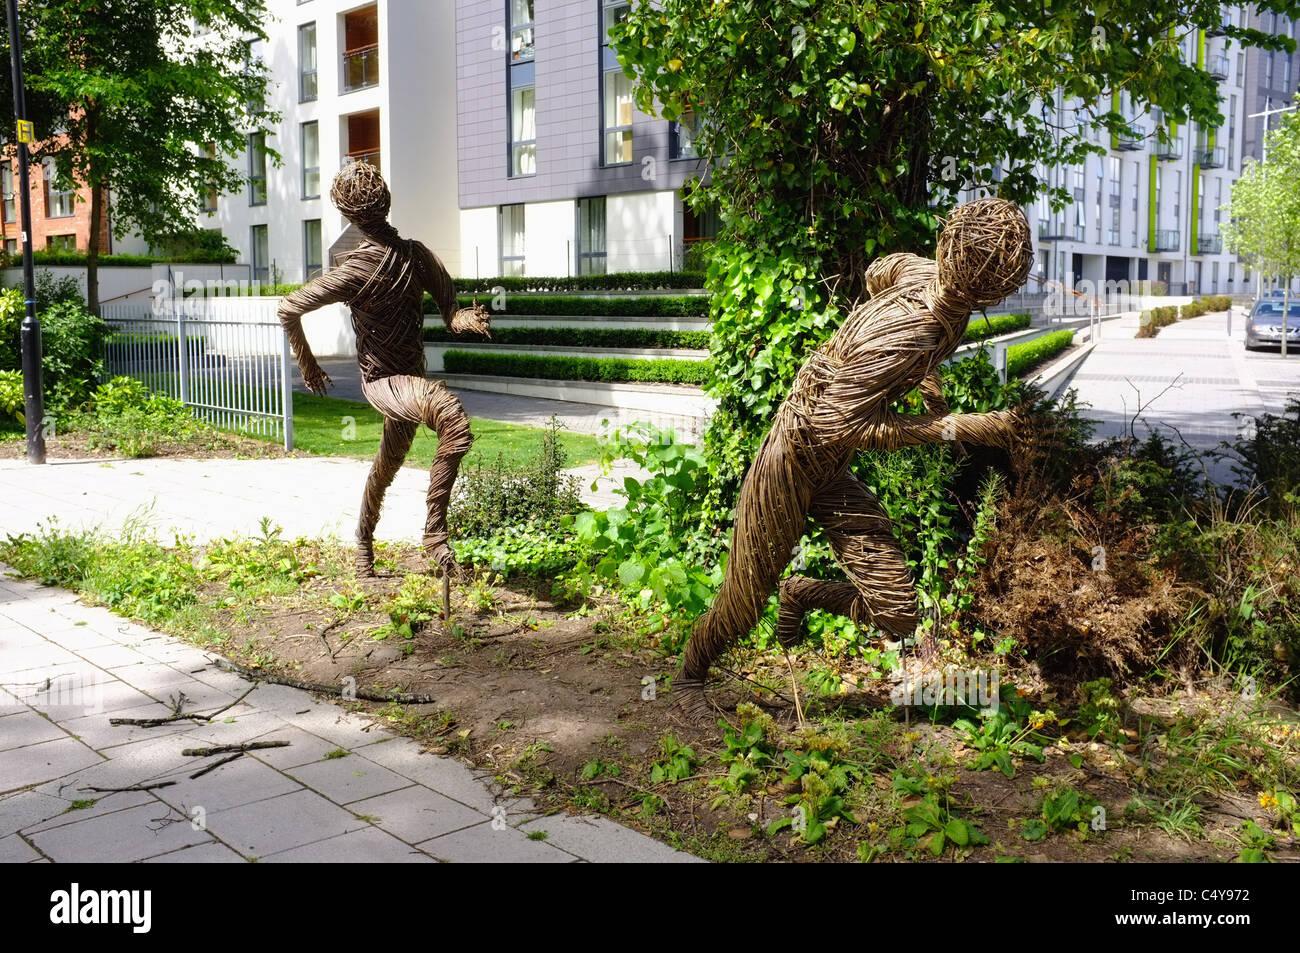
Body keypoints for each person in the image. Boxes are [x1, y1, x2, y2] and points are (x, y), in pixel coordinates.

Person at [678, 196, 1035, 708]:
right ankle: (690, 675)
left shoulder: (922, 275)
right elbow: (836, 424)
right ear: (998, 291)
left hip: (829, 468)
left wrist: (914, 370)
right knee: (742, 603)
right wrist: (964, 427)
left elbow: (876, 272)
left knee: (897, 611)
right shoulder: (921, 326)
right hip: (792, 459)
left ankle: (801, 593)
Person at [277, 161, 490, 577]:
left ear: (348, 213)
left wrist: (464, 320)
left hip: (412, 378)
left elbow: (450, 309)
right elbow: (288, 308)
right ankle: (434, 536)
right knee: (453, 421)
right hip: (384, 382)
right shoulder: (356, 269)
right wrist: (309, 365)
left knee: (385, 466)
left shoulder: (415, 256)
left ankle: (362, 546)